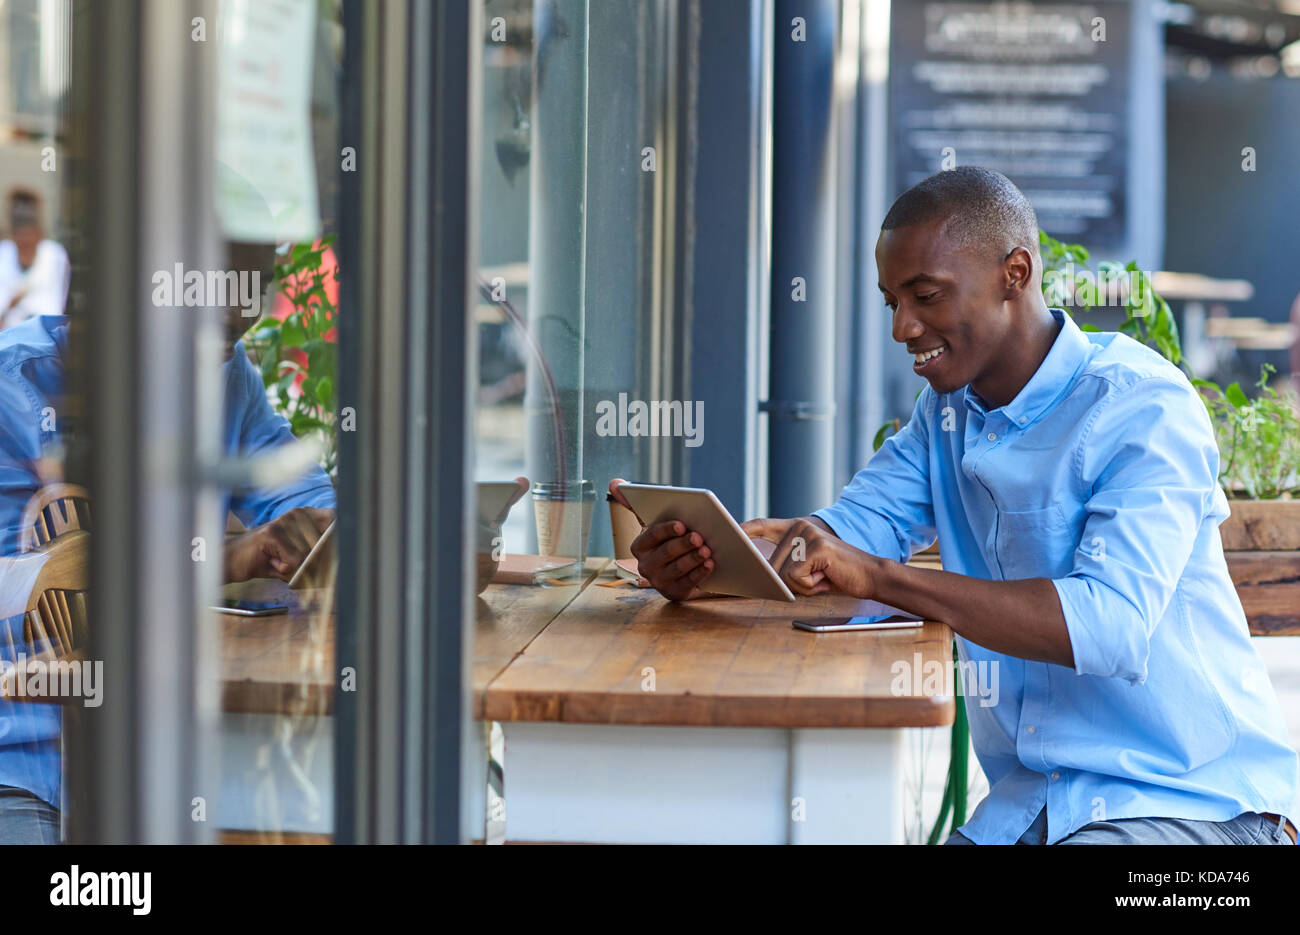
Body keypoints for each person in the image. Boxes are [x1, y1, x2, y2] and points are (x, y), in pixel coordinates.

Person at [619, 166, 1299, 846]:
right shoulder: (945, 417)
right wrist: (715, 563)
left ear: (1015, 272)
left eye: (925, 295)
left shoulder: (1142, 408)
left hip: (1203, 810)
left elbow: (1109, 625)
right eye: (891, 302)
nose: (901, 327)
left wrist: (882, 577)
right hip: (1033, 807)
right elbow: (846, 535)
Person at [0, 236, 335, 844]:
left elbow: (302, 497)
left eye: (251, 298)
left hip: (164, 745)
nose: (238, 320)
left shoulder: (226, 374)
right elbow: (22, 589)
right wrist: (231, 556)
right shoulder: (14, 389)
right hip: (23, 761)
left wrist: (324, 530)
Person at [0, 188, 70, 330]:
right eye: (20, 234)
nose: (25, 240)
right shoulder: (4, 251)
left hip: (45, 336)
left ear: (38, 232)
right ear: (13, 235)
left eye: (29, 234)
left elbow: (55, 304)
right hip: (7, 338)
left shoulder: (54, 254)